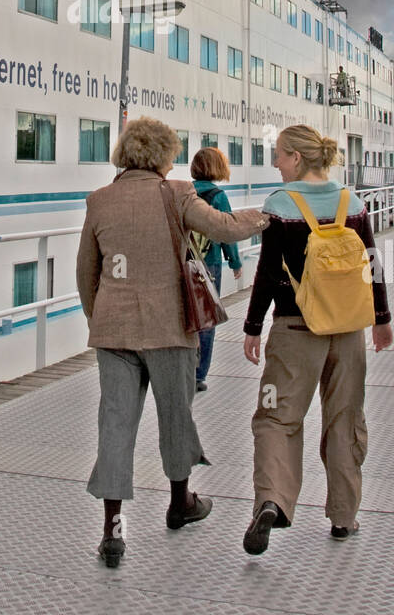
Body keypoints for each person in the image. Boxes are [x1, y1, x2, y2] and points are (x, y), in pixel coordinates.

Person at [76, 117, 269, 568]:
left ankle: (113, 530)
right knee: (175, 414)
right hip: (169, 328)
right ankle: (180, 503)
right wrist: (268, 215)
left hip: (115, 331)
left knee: (116, 424)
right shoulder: (177, 193)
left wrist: (100, 318)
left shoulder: (99, 201)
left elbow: (87, 272)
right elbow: (224, 228)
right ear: (164, 156)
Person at [241, 125, 392, 553]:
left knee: (276, 418)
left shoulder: (280, 205)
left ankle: (272, 501)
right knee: (345, 419)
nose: (274, 163)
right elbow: (372, 265)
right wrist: (381, 319)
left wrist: (253, 327)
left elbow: (269, 273)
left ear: (295, 158)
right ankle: (344, 517)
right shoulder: (352, 202)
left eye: (278, 155)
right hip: (348, 332)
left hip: (295, 332)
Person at [191, 146, 243, 392]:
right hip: (209, 261)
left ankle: (184, 367)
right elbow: (227, 232)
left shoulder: (185, 192)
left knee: (187, 315)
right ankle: (199, 375)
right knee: (207, 316)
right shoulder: (218, 196)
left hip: (185, 260)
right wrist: (235, 262)